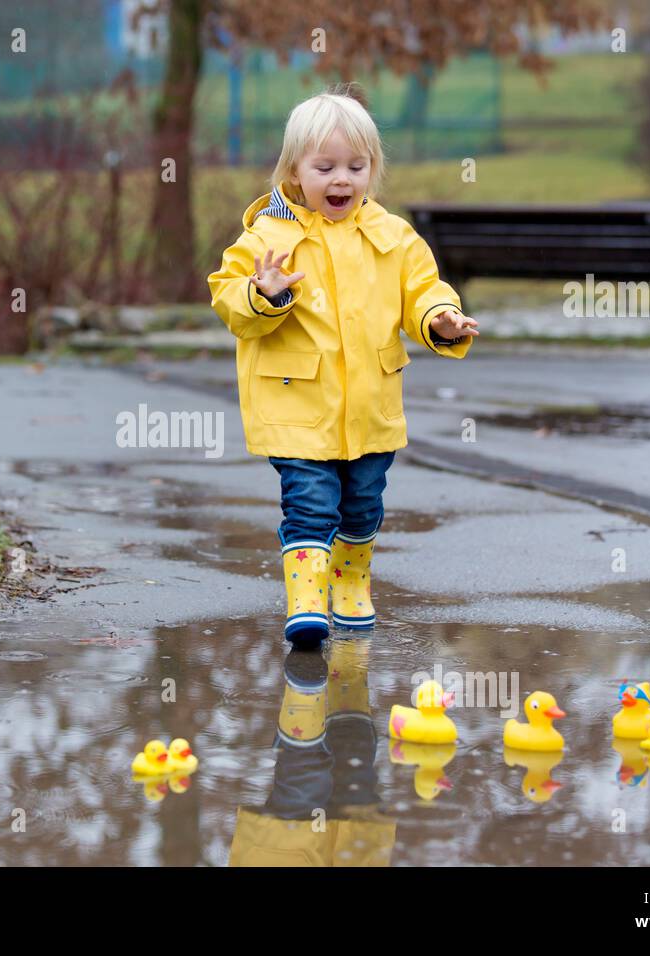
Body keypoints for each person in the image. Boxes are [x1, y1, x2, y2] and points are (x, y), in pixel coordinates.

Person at [206, 82, 478, 649]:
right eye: (325, 166)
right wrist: (265, 293)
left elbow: (421, 290)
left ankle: (351, 578)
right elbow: (231, 303)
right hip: (296, 406)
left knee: (363, 501)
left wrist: (440, 318)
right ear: (294, 171)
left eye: (356, 166)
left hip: (371, 405)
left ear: (372, 170)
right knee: (309, 501)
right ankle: (306, 602)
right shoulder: (267, 238)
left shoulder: (391, 236)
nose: (341, 180)